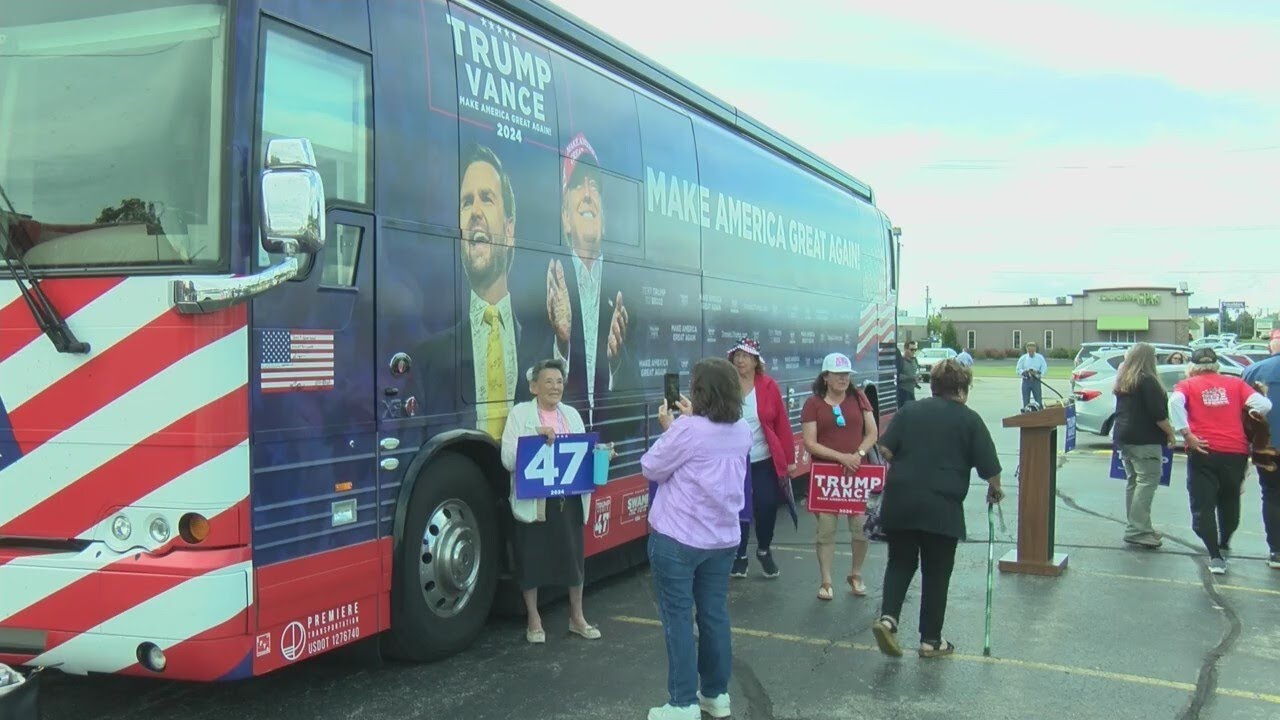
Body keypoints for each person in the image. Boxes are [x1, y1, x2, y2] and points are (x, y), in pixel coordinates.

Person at [641, 358, 752, 720]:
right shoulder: (742, 430)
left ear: (700, 391)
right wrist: (685, 423)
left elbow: (652, 467)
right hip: (722, 540)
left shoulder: (686, 431)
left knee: (677, 620)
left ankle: (682, 702)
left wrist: (670, 428)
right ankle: (716, 696)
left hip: (678, 539)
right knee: (714, 615)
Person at [871, 359, 1003, 658]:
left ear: (933, 386)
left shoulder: (910, 410)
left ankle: (889, 619)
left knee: (900, 562)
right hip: (941, 506)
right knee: (937, 571)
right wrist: (996, 490)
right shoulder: (970, 420)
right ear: (962, 388)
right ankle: (931, 641)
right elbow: (990, 469)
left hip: (901, 500)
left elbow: (886, 448)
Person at [415, 143, 532, 438]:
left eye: (486, 199)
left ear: (508, 230)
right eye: (467, 202)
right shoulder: (429, 357)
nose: (475, 211)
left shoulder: (539, 343)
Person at [500, 359, 604, 643]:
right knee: (531, 559)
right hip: (535, 501)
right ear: (534, 386)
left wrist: (600, 453)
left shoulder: (571, 414)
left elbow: (582, 454)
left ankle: (577, 617)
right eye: (548, 381)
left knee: (573, 559)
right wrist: (534, 436)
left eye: (559, 381)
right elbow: (507, 459)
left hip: (567, 501)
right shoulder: (520, 414)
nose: (555, 387)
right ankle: (534, 619)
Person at [546, 131, 639, 442]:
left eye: (594, 186)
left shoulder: (626, 293)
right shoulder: (548, 284)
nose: (587, 193)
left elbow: (637, 402)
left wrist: (617, 362)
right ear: (565, 219)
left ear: (605, 220)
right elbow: (527, 384)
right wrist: (561, 343)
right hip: (560, 443)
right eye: (577, 185)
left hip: (609, 446)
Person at [1169, 347, 1273, 574]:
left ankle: (1215, 556)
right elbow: (1265, 404)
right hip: (1235, 450)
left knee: (1203, 503)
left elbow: (1175, 403)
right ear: (1216, 365)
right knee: (1229, 499)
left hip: (1203, 450)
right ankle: (1225, 539)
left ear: (1193, 367)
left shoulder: (1187, 385)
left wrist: (1187, 434)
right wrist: (1248, 413)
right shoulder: (1235, 384)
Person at [802, 352, 879, 601]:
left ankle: (855, 574)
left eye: (846, 374)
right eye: (838, 374)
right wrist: (841, 457)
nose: (843, 379)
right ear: (826, 377)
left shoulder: (859, 398)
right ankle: (826, 580)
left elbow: (872, 433)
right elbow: (811, 443)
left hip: (858, 474)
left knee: (860, 528)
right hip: (826, 477)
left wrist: (857, 453)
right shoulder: (813, 404)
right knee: (826, 530)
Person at [724, 337, 797, 579]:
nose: (740, 359)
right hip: (734, 462)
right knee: (738, 509)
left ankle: (764, 550)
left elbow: (782, 425)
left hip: (763, 458)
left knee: (766, 505)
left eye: (746, 356)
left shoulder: (768, 386)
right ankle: (740, 554)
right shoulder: (726, 385)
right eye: (737, 355)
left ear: (756, 361)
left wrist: (789, 459)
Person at [1113, 343, 1178, 549]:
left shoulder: (1125, 380)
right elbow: (1158, 415)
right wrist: (1171, 432)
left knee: (1134, 481)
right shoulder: (1148, 380)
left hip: (1125, 436)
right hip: (1145, 439)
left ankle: (1139, 526)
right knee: (1147, 481)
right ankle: (1138, 530)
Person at [1241, 330, 1280, 569]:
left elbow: (1244, 410)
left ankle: (1276, 550)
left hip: (1266, 444)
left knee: (1272, 495)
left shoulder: (1254, 371)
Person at [1016, 341, 1048, 409]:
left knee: (1038, 400)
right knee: (1025, 400)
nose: (1031, 352)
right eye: (1029, 351)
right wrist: (1024, 372)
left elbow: (1044, 368)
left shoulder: (1040, 358)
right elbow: (1018, 369)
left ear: (1035, 349)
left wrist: (1038, 373)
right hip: (1026, 381)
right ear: (1027, 349)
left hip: (1036, 381)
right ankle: (1026, 415)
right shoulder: (1023, 358)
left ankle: (1040, 414)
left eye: (1032, 351)